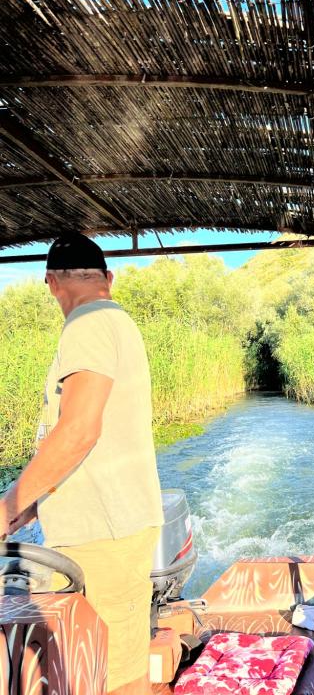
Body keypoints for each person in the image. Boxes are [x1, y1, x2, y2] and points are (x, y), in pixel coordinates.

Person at [0, 231, 164, 695]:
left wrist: (7, 507)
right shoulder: (113, 320)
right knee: (102, 664)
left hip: (102, 533)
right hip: (105, 528)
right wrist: (34, 504)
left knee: (113, 675)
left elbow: (78, 432)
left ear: (51, 282)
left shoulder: (88, 324)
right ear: (108, 277)